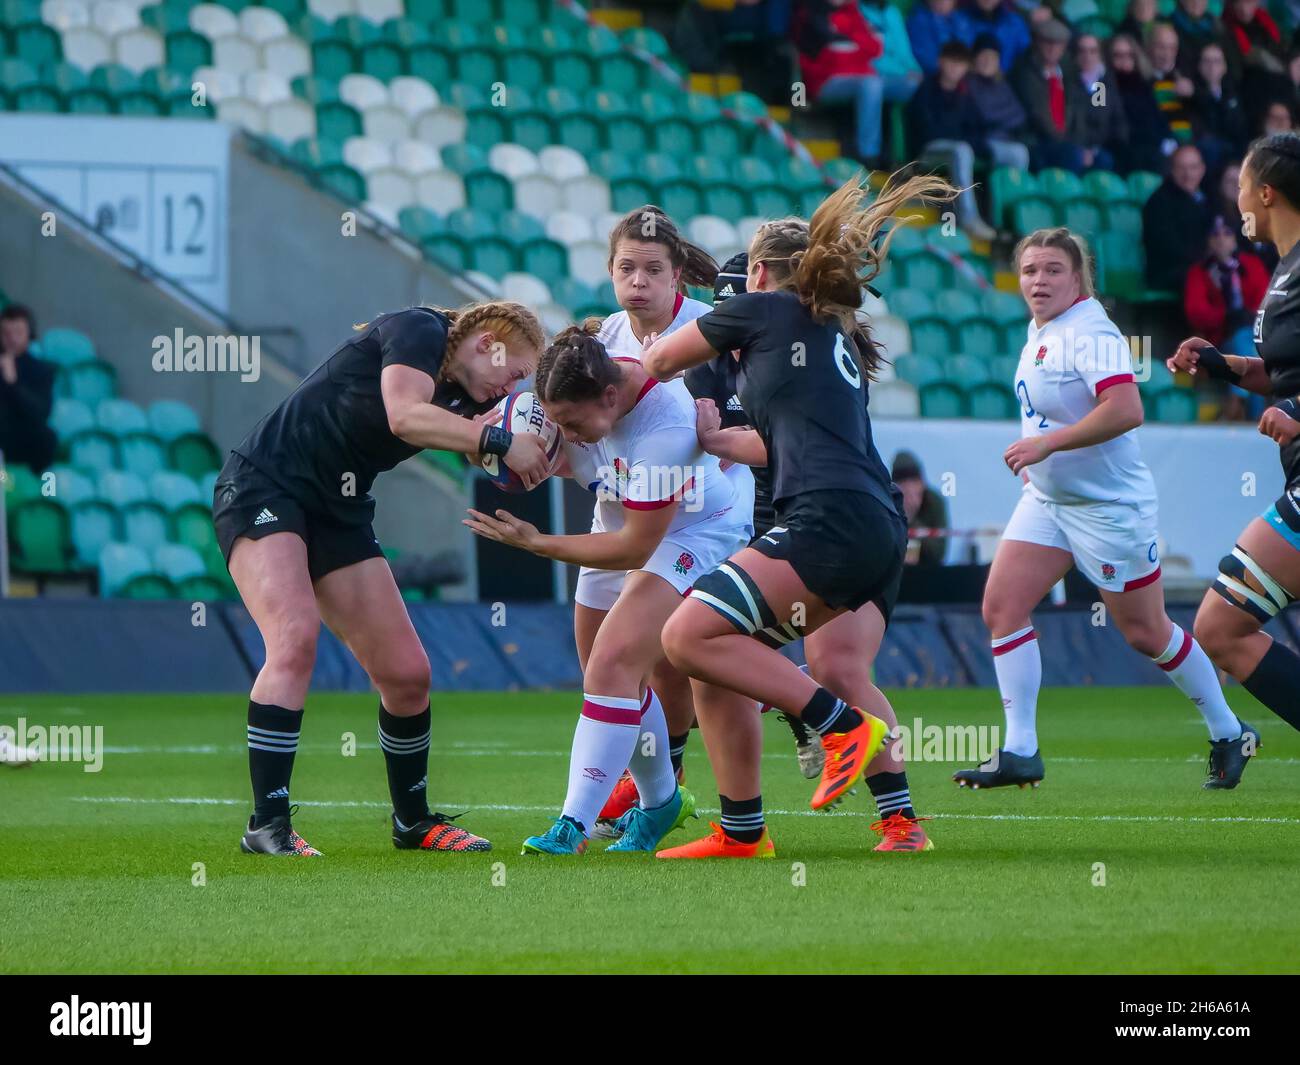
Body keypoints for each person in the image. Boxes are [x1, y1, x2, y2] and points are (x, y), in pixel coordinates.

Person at [641, 172, 957, 858]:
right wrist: (719, 437)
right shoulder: (830, 331)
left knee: (687, 635)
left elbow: (659, 357)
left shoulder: (763, 310)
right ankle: (864, 824)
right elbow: (783, 439)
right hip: (874, 522)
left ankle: (837, 727)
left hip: (827, 517)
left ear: (757, 272)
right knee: (801, 661)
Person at [212, 301, 551, 856]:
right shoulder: (419, 329)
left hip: (340, 508)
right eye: (513, 373)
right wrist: (495, 440)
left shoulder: (467, 397)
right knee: (294, 638)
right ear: (488, 340)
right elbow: (403, 415)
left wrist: (528, 447)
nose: (508, 389)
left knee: (407, 673)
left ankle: (413, 823)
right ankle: (266, 825)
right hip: (266, 486)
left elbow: (471, 439)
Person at [952, 227, 1256, 792]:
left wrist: (1047, 444)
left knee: (1146, 632)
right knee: (1002, 607)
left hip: (1108, 507)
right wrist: (1046, 454)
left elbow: (1126, 409)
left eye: (1052, 270)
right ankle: (1021, 749)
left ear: (1078, 276)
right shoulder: (1042, 326)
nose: (1038, 281)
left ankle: (1228, 728)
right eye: (1029, 271)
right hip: (1047, 500)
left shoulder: (1091, 333)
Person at [463, 323, 752, 855]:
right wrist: (491, 444)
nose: (566, 435)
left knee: (612, 662)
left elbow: (635, 549)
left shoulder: (665, 431)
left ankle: (572, 825)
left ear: (611, 398)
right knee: (608, 674)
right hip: (617, 511)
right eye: (557, 423)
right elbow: (551, 449)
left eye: (572, 424)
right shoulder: (578, 386)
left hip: (693, 529)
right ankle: (662, 802)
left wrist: (539, 543)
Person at [689, 252, 932, 851]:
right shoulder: (732, 361)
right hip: (839, 521)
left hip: (821, 523)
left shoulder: (793, 351)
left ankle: (880, 800)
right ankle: (743, 821)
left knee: (828, 667)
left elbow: (784, 446)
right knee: (718, 662)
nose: (728, 327)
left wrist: (714, 438)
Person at [584, 204, 720, 831]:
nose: (637, 281)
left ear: (677, 279)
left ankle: (662, 787)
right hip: (615, 511)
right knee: (601, 662)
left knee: (665, 660)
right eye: (625, 268)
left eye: (651, 270)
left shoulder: (711, 332)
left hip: (693, 518)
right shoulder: (601, 338)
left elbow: (740, 420)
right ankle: (656, 789)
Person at [1170, 131, 1300, 742]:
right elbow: (1280, 372)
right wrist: (1222, 364)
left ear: (1266, 191)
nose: (1238, 201)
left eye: (1243, 186)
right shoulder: (1283, 271)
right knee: (1221, 629)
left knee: (1221, 628)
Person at [908, 40, 1010, 239]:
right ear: (941, 62)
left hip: (957, 150)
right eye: (951, 61)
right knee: (961, 149)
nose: (955, 67)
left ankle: (1002, 222)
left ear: (966, 67)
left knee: (1012, 152)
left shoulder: (965, 93)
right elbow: (927, 131)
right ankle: (968, 218)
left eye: (960, 63)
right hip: (927, 152)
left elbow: (977, 127)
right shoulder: (927, 89)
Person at [792, 0, 887, 165]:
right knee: (872, 84)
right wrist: (854, 43)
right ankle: (868, 155)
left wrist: (849, 33)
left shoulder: (854, 13)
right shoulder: (809, 13)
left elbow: (875, 49)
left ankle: (879, 157)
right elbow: (821, 55)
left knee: (881, 85)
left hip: (858, 79)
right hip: (821, 83)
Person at [1010, 18, 1098, 173]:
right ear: (1037, 43)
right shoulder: (1026, 73)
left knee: (1102, 159)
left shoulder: (1069, 74)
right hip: (1037, 141)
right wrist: (1070, 146)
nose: (1052, 48)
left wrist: (1082, 146)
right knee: (1072, 155)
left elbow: (1079, 114)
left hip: (1067, 141)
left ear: (1064, 47)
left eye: (1057, 44)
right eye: (1047, 42)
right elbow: (1038, 116)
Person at [1184, 214, 1271, 354]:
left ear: (1235, 238)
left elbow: (1266, 301)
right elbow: (1196, 312)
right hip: (1220, 340)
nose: (1221, 240)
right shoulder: (1199, 272)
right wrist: (1226, 317)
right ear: (1207, 240)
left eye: (1227, 234)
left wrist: (1248, 315)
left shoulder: (1252, 265)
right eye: (1215, 234)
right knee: (1242, 343)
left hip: (1256, 332)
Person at [1143, 144, 1215, 291]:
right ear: (1171, 170)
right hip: (1170, 274)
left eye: (1193, 167)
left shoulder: (1208, 200)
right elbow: (1169, 248)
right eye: (1181, 168)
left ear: (1202, 169)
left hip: (1201, 267)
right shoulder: (1158, 202)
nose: (1188, 174)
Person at [1109, 32, 1177, 173]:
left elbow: (1157, 116)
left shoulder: (1143, 83)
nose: (1124, 60)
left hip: (1151, 143)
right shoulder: (1100, 85)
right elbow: (1099, 117)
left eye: (1129, 55)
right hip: (1123, 145)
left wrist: (1168, 139)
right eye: (1118, 55)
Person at [0, 304, 56, 474]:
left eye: (18, 332)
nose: (12, 338)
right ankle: (4, 484)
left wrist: (12, 384)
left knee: (47, 437)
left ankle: (46, 493)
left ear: (29, 334)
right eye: (6, 333)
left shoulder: (41, 370)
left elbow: (41, 412)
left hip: (21, 435)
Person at [967, 33, 1030, 152]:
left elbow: (1020, 114)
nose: (988, 61)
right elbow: (983, 114)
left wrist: (997, 121)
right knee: (1018, 152)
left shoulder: (1002, 83)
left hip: (1007, 138)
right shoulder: (968, 83)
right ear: (974, 58)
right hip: (982, 142)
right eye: (983, 55)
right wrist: (1004, 117)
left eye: (993, 57)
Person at [1192, 42, 1250, 168]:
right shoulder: (1192, 93)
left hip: (1235, 153)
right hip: (1208, 153)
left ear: (1225, 66)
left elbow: (1239, 126)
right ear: (1199, 65)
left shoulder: (1233, 92)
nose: (1212, 66)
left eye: (1217, 61)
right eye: (1206, 61)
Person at [892, 450, 951, 567]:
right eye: (904, 485)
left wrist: (912, 520)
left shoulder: (934, 501)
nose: (910, 490)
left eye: (915, 482)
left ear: (922, 483)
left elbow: (939, 553)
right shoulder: (887, 500)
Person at [954, 0, 1031, 74]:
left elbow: (1024, 54)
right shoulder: (959, 20)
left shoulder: (1014, 22)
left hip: (1003, 80)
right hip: (965, 79)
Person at [907, 0, 966, 77]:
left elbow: (968, 50)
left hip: (961, 76)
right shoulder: (918, 21)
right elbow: (926, 59)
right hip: (932, 78)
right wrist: (954, 69)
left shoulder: (962, 20)